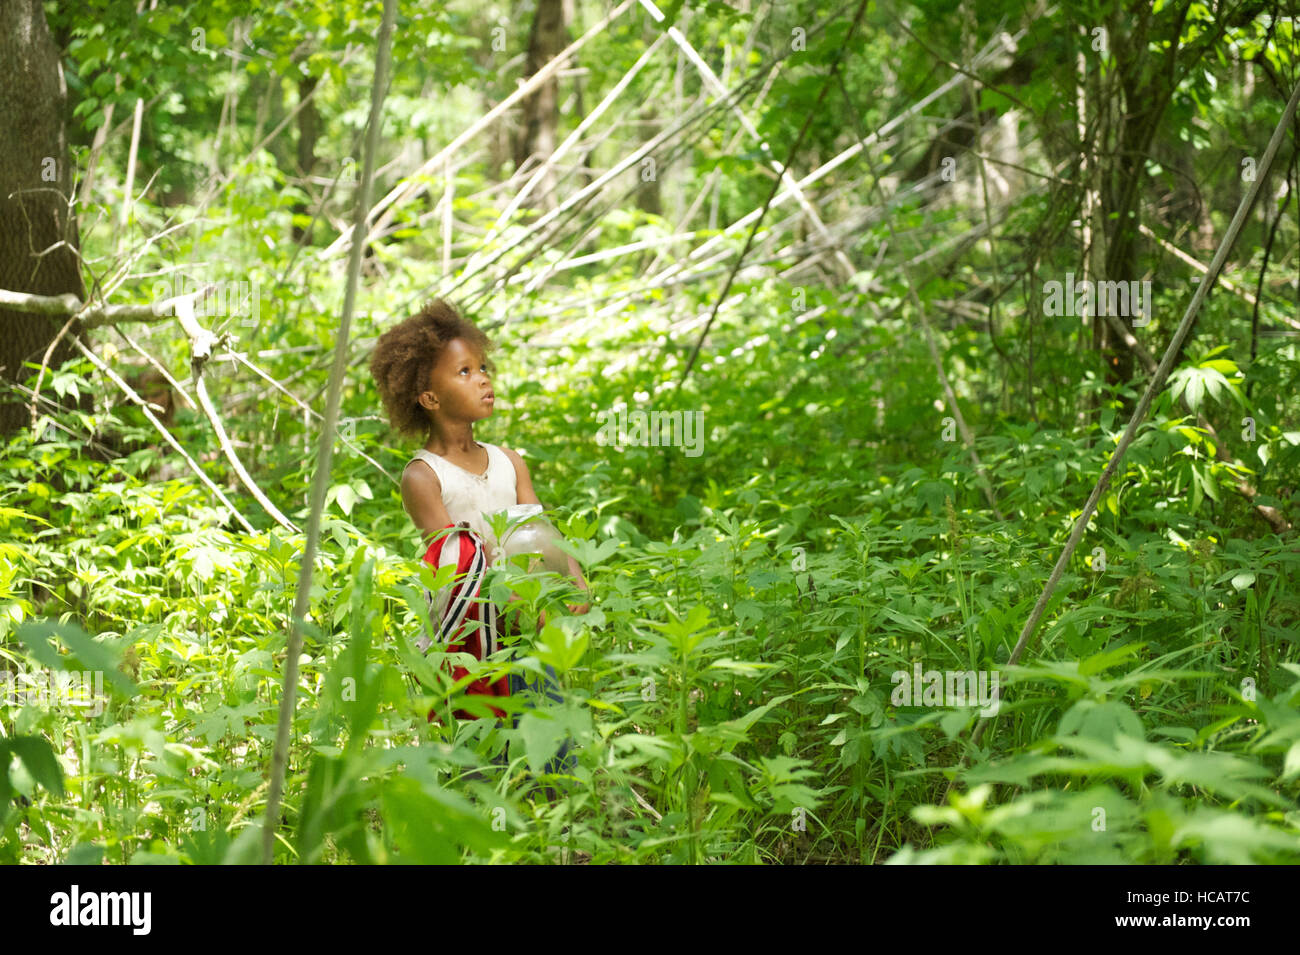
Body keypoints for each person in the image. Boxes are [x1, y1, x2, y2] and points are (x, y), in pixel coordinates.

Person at [368, 298, 589, 776]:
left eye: (482, 367)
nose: (484, 379)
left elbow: (540, 527)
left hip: (528, 621)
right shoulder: (425, 476)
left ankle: (559, 830)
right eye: (464, 372)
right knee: (485, 752)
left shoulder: (509, 459)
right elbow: (452, 556)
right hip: (471, 634)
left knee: (550, 734)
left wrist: (573, 574)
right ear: (428, 398)